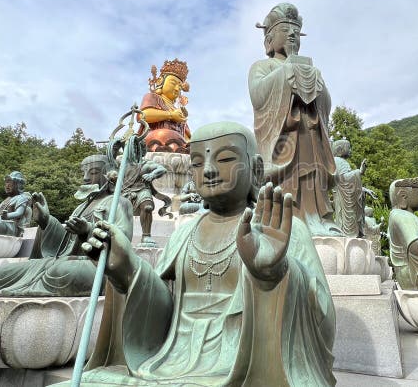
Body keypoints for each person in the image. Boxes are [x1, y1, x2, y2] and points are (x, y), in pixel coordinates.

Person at [70, 122, 335, 386]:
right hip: (168, 361)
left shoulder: (280, 230)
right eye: (196, 163)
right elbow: (162, 310)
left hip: (243, 367)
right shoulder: (183, 233)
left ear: (255, 169)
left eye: (226, 159)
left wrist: (274, 276)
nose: (208, 170)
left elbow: (324, 322)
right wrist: (127, 268)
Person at [248, 3, 340, 237]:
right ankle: (285, 221)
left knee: (312, 177)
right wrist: (288, 71)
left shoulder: (310, 68)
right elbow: (258, 97)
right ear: (269, 37)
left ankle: (316, 219)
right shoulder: (262, 66)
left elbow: (326, 104)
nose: (292, 34)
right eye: (286, 29)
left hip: (309, 133)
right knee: (287, 185)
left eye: (296, 31)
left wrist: (311, 79)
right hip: (283, 138)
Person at [0, 155, 133, 297]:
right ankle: (35, 282)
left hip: (98, 265)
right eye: (83, 173)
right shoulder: (81, 207)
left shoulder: (119, 203)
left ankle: (39, 282)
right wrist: (46, 221)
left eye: (93, 172)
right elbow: (65, 244)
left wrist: (88, 230)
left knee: (64, 270)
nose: (85, 178)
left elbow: (123, 241)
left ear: (110, 176)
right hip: (65, 260)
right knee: (3, 274)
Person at [140, 59, 191, 153]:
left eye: (180, 87)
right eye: (173, 83)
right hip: (156, 140)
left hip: (179, 144)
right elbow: (142, 116)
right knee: (164, 134)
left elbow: (187, 135)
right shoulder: (152, 97)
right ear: (160, 81)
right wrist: (171, 115)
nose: (177, 88)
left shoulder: (177, 110)